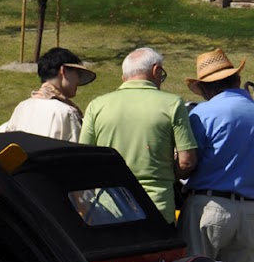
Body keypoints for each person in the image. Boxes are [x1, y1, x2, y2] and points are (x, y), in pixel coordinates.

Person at [79, 47, 197, 222]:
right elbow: (187, 161)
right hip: (156, 206)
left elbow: (85, 160)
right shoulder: (172, 104)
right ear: (156, 70)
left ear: (124, 78)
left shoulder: (97, 106)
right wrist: (164, 173)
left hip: (109, 207)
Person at [181, 48, 254, 262]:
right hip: (250, 212)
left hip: (208, 205)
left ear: (204, 88)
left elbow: (189, 161)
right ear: (236, 80)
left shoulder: (202, 114)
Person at [0, 47, 97, 142]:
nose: (78, 80)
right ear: (64, 71)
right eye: (77, 74)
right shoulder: (65, 113)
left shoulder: (21, 107)